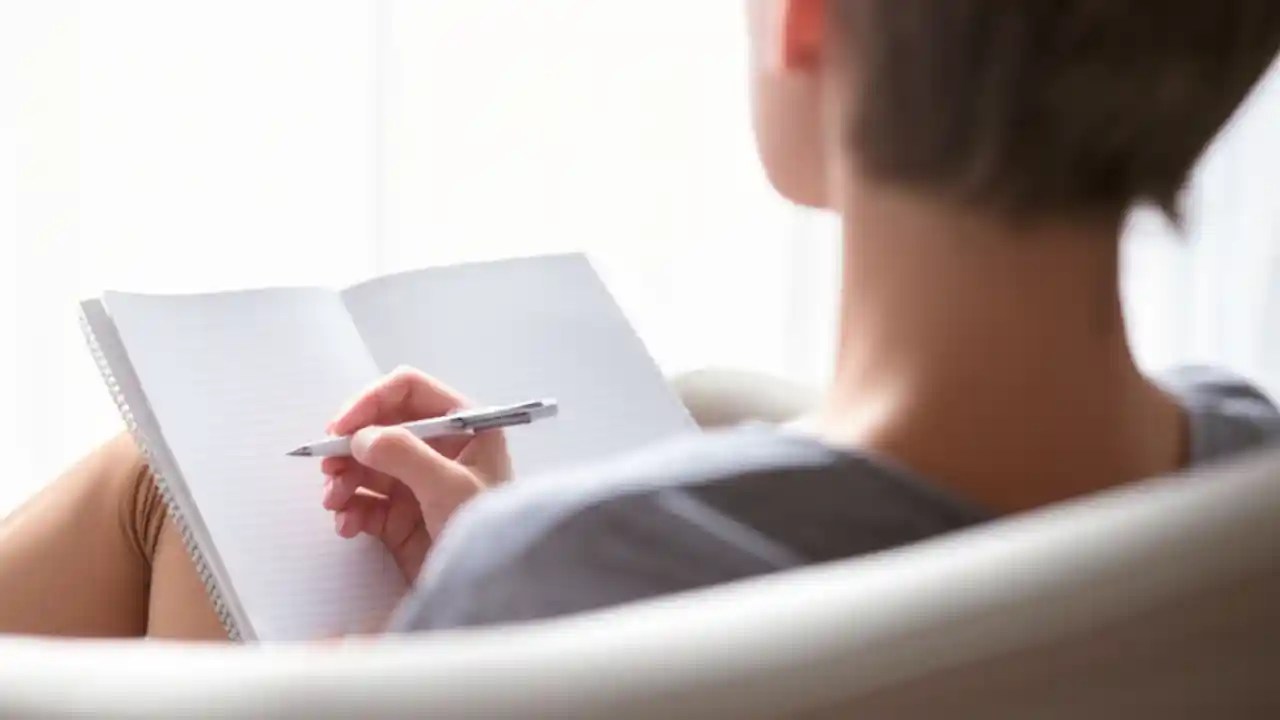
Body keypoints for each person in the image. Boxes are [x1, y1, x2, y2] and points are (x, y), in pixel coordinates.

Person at [4, 0, 1280, 637]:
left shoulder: (554, 576)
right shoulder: (1243, 482)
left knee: (155, 483)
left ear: (806, 23)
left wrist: (474, 615)